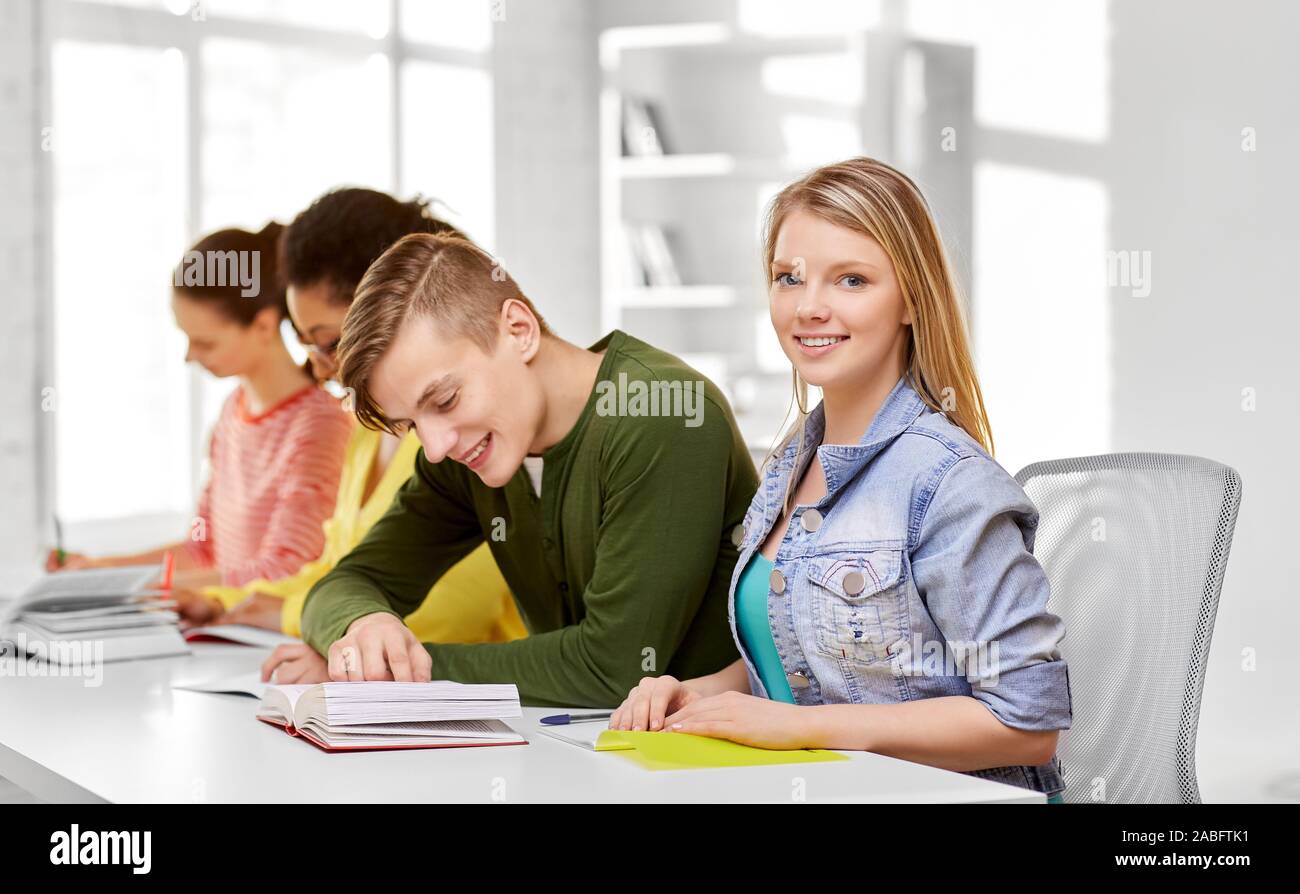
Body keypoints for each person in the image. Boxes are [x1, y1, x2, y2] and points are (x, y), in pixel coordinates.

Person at [609, 157, 1072, 800]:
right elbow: (800, 661)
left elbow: (1027, 723)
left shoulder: (947, 481)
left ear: (912, 300)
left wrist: (801, 730)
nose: (810, 307)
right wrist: (694, 695)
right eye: (788, 278)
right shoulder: (791, 464)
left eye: (851, 280)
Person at [298, 232, 757, 706]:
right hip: (576, 752)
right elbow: (343, 585)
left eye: (445, 399)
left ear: (519, 330)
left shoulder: (665, 414)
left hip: (707, 763)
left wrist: (400, 671)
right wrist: (365, 625)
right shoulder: (467, 453)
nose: (434, 447)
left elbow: (612, 668)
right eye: (411, 423)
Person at [185, 190, 527, 684]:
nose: (322, 370)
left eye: (329, 344)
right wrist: (228, 602)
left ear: (390, 304)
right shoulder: (368, 429)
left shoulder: (461, 435)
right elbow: (339, 570)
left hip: (490, 710)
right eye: (307, 346)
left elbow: (452, 609)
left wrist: (289, 615)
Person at [47, 224, 352, 613]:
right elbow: (202, 548)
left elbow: (284, 569)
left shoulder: (320, 424)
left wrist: (131, 588)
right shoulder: (232, 412)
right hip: (218, 626)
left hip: (265, 639)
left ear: (263, 325)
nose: (189, 356)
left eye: (205, 342)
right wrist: (98, 571)